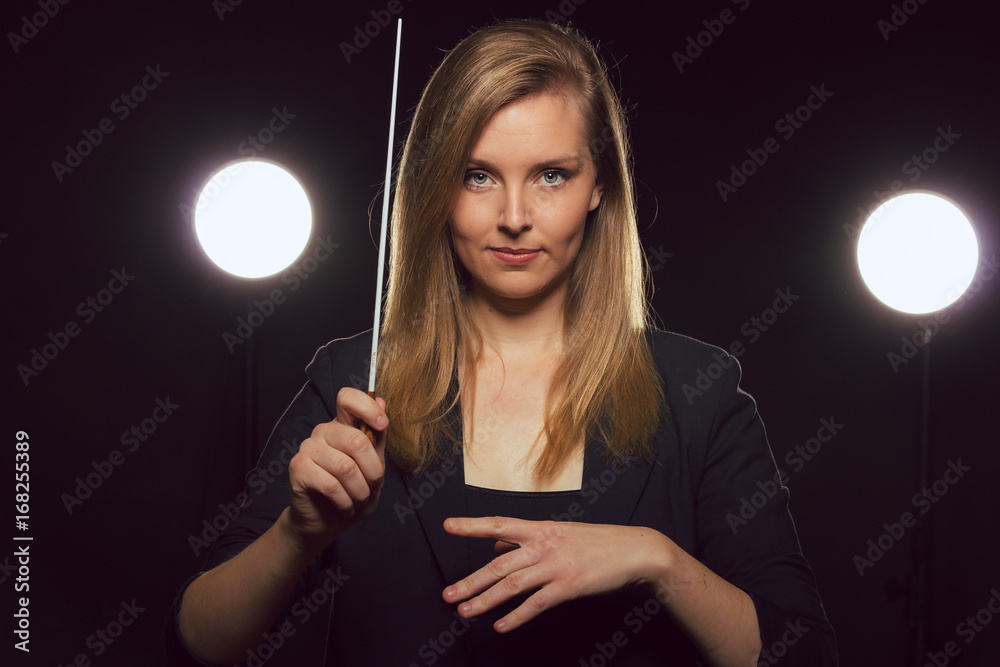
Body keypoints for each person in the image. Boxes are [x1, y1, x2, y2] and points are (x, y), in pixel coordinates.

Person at [167, 18, 838, 666]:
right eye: (477, 175)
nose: (514, 217)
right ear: (436, 188)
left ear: (598, 184)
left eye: (551, 175)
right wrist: (297, 531)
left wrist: (657, 560)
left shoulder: (699, 394)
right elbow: (201, 640)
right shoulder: (353, 382)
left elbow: (800, 653)